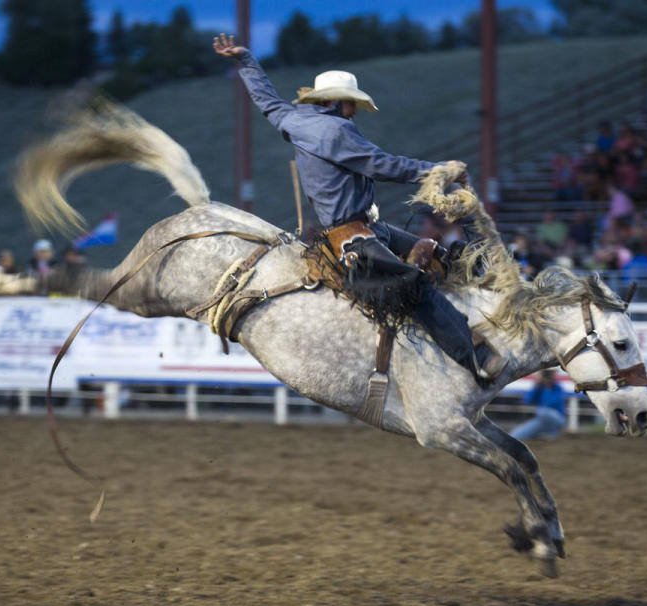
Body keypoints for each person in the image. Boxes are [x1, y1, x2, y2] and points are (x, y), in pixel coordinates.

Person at [214, 33, 501, 384]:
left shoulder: (294, 121)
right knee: (415, 286)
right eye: (350, 103)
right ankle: (475, 356)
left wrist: (245, 61)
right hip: (354, 236)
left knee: (436, 257)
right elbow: (384, 165)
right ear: (333, 102)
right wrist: (439, 171)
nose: (353, 110)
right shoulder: (336, 132)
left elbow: (267, 101)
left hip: (362, 229)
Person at [510, 370, 569, 441]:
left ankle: (552, 433)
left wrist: (546, 387)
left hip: (557, 418)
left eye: (549, 374)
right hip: (542, 420)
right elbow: (527, 401)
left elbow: (551, 403)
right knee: (515, 434)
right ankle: (548, 434)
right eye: (546, 374)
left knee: (542, 411)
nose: (547, 376)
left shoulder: (558, 388)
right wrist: (536, 385)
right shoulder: (539, 388)